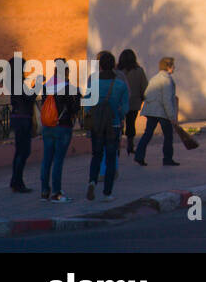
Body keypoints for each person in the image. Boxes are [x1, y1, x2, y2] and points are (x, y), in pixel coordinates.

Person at [85, 50, 129, 201]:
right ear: (113, 66)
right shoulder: (120, 85)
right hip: (114, 125)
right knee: (111, 158)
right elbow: (125, 108)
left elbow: (86, 105)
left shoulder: (93, 82)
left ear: (101, 66)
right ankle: (107, 193)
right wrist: (119, 116)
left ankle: (92, 181)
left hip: (96, 126)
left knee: (96, 156)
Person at [39, 58, 81, 202]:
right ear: (67, 71)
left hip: (47, 127)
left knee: (46, 160)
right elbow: (74, 109)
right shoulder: (70, 88)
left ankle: (45, 191)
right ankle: (56, 193)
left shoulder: (46, 86)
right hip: (62, 127)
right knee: (58, 160)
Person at [135, 56, 179, 167]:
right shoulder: (167, 80)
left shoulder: (154, 78)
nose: (174, 68)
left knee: (148, 134)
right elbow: (167, 100)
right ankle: (167, 158)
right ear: (168, 67)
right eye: (173, 65)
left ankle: (139, 156)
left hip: (151, 110)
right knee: (168, 135)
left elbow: (146, 94)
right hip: (162, 112)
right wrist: (172, 117)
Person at [8, 61, 36, 193]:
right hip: (23, 119)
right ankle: (18, 182)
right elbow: (29, 98)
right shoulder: (18, 83)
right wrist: (36, 87)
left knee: (19, 151)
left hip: (17, 118)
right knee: (24, 151)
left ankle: (15, 180)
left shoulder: (13, 82)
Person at [117, 49, 147, 155]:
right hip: (134, 102)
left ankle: (117, 146)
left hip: (119, 103)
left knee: (118, 124)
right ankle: (130, 145)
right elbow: (144, 87)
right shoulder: (139, 71)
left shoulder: (117, 72)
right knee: (131, 124)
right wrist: (142, 97)